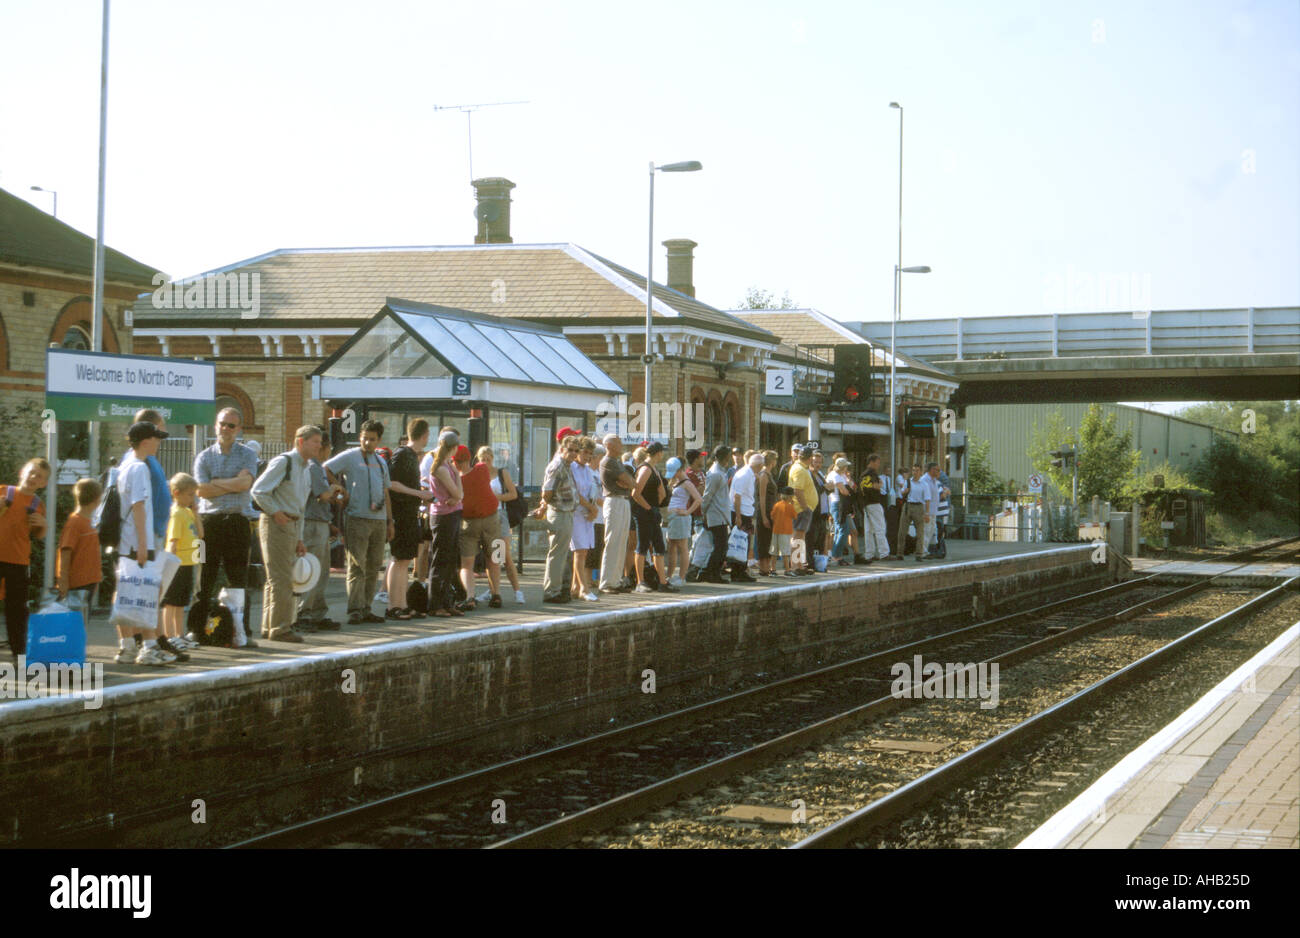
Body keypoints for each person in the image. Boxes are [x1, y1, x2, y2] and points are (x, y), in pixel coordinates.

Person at [193, 407, 259, 646]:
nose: (226, 429)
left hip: (237, 520)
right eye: (222, 424)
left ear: (239, 429)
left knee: (239, 578)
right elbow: (201, 490)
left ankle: (242, 632)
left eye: (232, 425)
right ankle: (197, 631)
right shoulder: (204, 457)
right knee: (204, 578)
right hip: (207, 522)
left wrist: (216, 483)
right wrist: (232, 483)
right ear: (215, 425)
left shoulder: (248, 455)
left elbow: (246, 484)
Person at [324, 420, 394, 625]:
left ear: (379, 440)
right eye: (364, 437)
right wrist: (339, 489)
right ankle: (355, 609)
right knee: (357, 566)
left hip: (379, 520)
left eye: (372, 439)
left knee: (373, 566)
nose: (367, 442)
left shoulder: (381, 462)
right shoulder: (350, 456)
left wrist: (390, 521)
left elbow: (386, 491)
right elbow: (325, 468)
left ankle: (366, 608)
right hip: (357, 518)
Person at [251, 426, 317, 641]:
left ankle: (270, 626)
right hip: (276, 523)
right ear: (301, 441)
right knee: (282, 578)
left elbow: (301, 507)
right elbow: (258, 490)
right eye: (315, 441)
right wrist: (276, 513)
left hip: (289, 524)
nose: (319, 446)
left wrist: (299, 538)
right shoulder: (284, 462)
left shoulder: (306, 468)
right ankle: (281, 628)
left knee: (276, 578)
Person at [115, 423, 173, 665]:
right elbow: (139, 506)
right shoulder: (139, 468)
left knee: (126, 594)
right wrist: (143, 544)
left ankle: (127, 647)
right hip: (138, 542)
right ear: (145, 440)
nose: (158, 442)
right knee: (145, 593)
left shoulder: (125, 466)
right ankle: (148, 648)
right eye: (155, 438)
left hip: (126, 542)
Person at [386, 419, 435, 621]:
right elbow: (392, 483)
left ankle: (401, 604)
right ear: (424, 435)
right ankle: (394, 606)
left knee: (403, 560)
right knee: (399, 560)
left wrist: (418, 492)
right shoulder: (403, 454)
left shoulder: (410, 456)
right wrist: (419, 493)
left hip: (407, 512)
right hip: (402, 513)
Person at [1, 457, 50, 661]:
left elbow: (38, 535)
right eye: (31, 472)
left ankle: (20, 657)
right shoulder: (4, 491)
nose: (33, 477)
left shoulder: (38, 505)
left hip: (19, 562)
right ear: (22, 472)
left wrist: (43, 525)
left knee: (17, 612)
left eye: (39, 476)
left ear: (43, 484)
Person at [298, 436, 343, 631]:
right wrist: (334, 489)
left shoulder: (318, 467)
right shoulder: (314, 466)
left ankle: (316, 612)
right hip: (312, 523)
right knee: (312, 569)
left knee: (322, 571)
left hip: (320, 521)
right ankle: (304, 613)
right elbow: (322, 495)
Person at [159, 473, 203, 655]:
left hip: (188, 563)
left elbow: (200, 534)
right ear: (177, 493)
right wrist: (169, 565)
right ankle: (170, 636)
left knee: (181, 602)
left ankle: (179, 633)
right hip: (177, 564)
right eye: (189, 494)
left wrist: (196, 513)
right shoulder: (176, 513)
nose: (192, 498)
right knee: (171, 603)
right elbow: (173, 541)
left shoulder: (187, 512)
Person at [534, 435, 579, 603]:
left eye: (576, 450)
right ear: (562, 449)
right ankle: (552, 591)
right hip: (559, 512)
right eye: (570, 450)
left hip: (566, 512)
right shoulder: (557, 466)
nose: (574, 454)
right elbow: (547, 491)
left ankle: (557, 589)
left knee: (561, 554)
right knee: (557, 554)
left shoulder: (567, 466)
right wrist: (546, 505)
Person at [455, 444, 502, 609]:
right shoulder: (482, 469)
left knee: (466, 564)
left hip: (469, 522)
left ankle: (470, 597)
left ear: (455, 463)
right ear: (470, 458)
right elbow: (485, 469)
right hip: (492, 519)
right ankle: (496, 594)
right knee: (495, 559)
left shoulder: (457, 480)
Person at [425, 431, 464, 617]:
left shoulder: (447, 466)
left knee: (450, 560)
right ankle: (435, 604)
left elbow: (458, 495)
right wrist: (456, 475)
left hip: (452, 514)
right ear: (454, 448)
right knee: (440, 560)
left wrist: (455, 472)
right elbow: (458, 494)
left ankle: (447, 601)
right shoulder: (440, 468)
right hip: (443, 517)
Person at [482, 446, 525, 605]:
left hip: (499, 515)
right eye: (482, 459)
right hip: (484, 517)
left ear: (493, 458)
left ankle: (517, 591)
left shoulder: (501, 473)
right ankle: (492, 590)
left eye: (488, 458)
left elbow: (513, 494)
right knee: (490, 556)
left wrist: (496, 497)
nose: (486, 462)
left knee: (504, 555)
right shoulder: (478, 474)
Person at [57, 478, 102, 625]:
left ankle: (77, 647)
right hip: (77, 583)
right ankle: (72, 648)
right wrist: (62, 581)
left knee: (81, 620)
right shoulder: (75, 522)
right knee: (75, 622)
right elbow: (65, 551)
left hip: (89, 581)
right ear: (97, 499)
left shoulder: (89, 522)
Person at [629, 442, 674, 593]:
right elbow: (635, 493)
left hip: (653, 511)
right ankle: (640, 582)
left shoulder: (653, 468)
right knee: (642, 546)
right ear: (658, 453)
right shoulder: (646, 469)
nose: (663, 455)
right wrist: (648, 508)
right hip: (644, 512)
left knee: (658, 546)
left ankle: (662, 581)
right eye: (662, 452)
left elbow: (661, 492)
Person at [598, 434, 635, 594]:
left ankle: (616, 580)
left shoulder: (617, 462)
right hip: (613, 501)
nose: (621, 445)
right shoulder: (608, 462)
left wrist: (627, 482)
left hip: (623, 500)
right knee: (612, 541)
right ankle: (606, 582)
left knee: (622, 541)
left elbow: (631, 482)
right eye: (618, 442)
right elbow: (628, 481)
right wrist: (626, 482)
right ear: (609, 445)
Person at [568, 437, 601, 602]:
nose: (588, 456)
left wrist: (593, 509)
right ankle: (584, 588)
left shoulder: (588, 470)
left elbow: (592, 492)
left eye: (590, 453)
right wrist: (591, 508)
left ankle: (575, 587)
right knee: (579, 551)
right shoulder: (571, 468)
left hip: (588, 515)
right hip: (576, 514)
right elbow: (575, 493)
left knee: (584, 551)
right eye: (585, 452)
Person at [663, 456, 701, 587]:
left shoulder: (686, 482)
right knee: (671, 547)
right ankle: (669, 576)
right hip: (673, 518)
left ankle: (682, 577)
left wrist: (687, 511)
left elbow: (698, 499)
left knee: (682, 547)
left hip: (680, 518)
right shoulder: (677, 481)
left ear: (680, 470)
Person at [699, 444, 733, 584]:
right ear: (724, 457)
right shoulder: (715, 474)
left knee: (721, 546)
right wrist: (703, 512)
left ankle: (708, 572)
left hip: (720, 513)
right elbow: (707, 495)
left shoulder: (720, 471)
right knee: (721, 547)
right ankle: (711, 573)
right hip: (716, 514)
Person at [788, 445, 818, 575]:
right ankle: (795, 566)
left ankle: (799, 564)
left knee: (800, 537)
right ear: (810, 458)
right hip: (801, 508)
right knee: (797, 537)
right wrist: (805, 507)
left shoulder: (800, 468)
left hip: (802, 508)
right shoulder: (799, 469)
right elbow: (797, 490)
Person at [897, 463, 932, 562]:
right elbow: (901, 494)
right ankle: (900, 553)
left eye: (917, 470)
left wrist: (927, 513)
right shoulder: (908, 482)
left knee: (920, 531)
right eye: (913, 470)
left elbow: (927, 499)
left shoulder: (924, 484)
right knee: (902, 531)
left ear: (921, 472)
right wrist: (905, 491)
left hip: (919, 507)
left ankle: (919, 554)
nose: (915, 472)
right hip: (908, 506)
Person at [860, 454, 890, 562]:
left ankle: (869, 554)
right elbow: (874, 486)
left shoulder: (864, 474)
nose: (879, 464)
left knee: (868, 530)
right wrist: (878, 485)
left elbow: (863, 488)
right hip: (874, 503)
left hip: (866, 504)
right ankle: (884, 553)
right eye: (877, 462)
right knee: (880, 528)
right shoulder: (871, 474)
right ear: (872, 462)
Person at [754, 450, 779, 576]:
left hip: (771, 511)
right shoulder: (764, 475)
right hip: (765, 511)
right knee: (763, 539)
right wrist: (764, 516)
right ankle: (763, 567)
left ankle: (766, 566)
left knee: (769, 539)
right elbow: (761, 497)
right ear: (772, 461)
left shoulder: (769, 474)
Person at [770, 487, 799, 575]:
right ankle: (787, 570)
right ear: (789, 497)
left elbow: (772, 516)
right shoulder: (789, 506)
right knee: (785, 551)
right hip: (786, 531)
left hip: (776, 530)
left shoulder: (777, 505)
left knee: (774, 551)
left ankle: (773, 569)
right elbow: (795, 516)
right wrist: (793, 505)